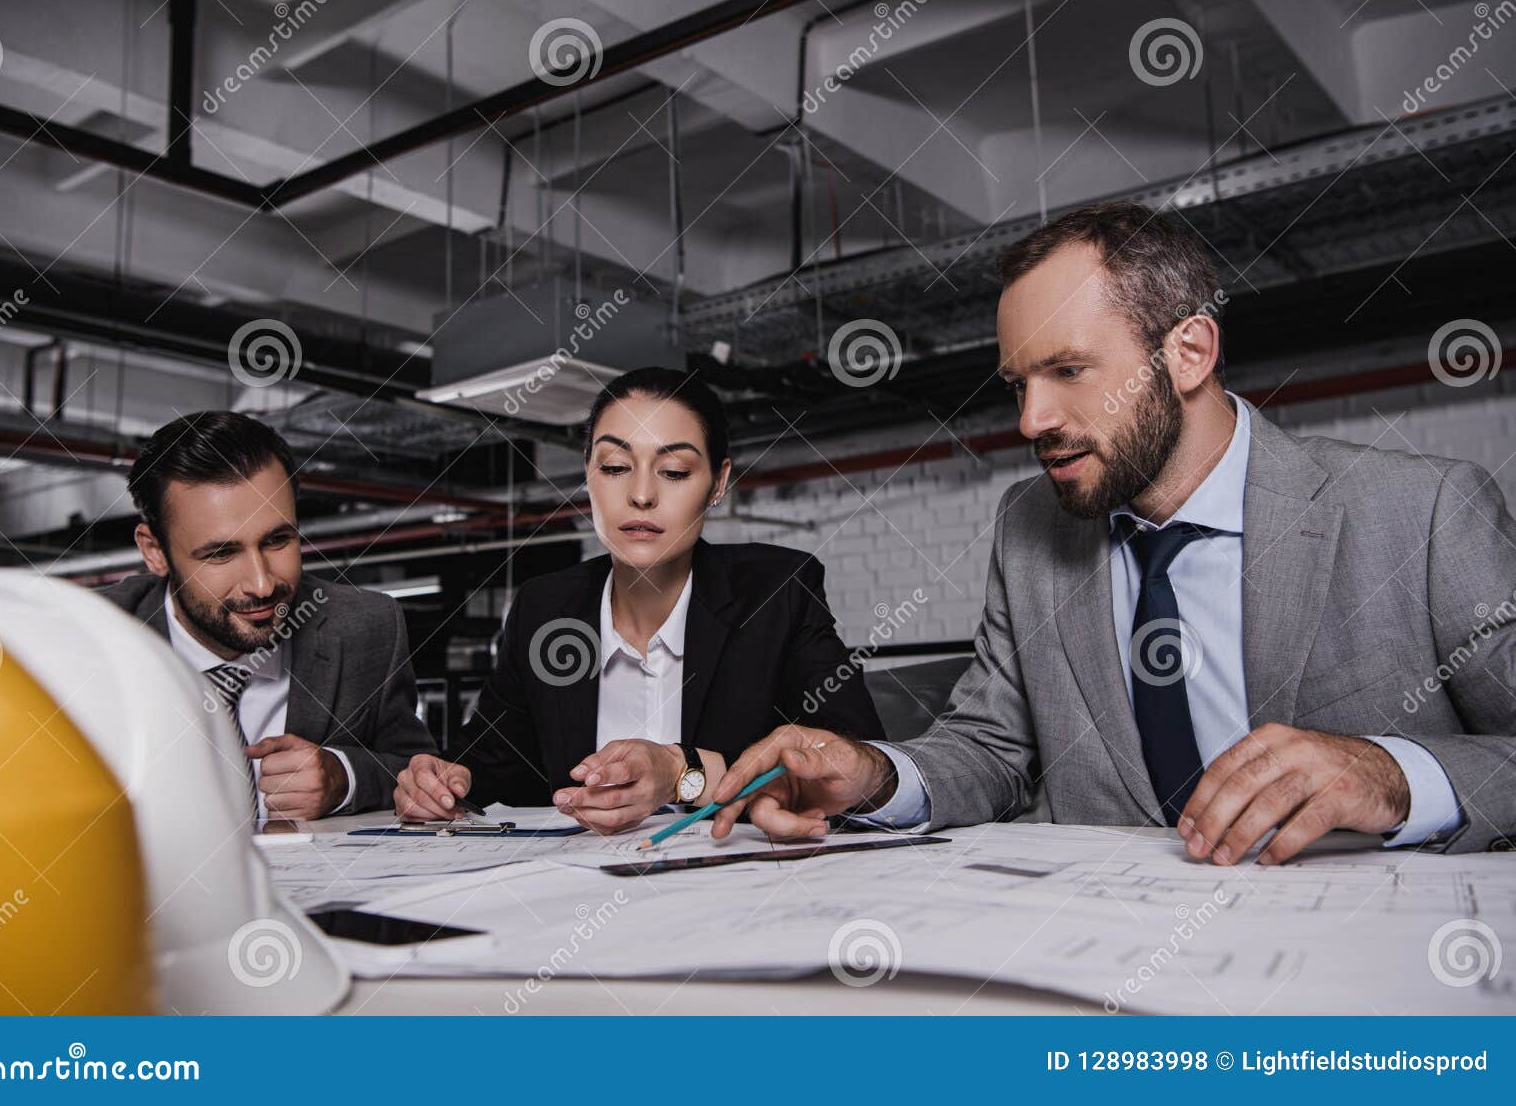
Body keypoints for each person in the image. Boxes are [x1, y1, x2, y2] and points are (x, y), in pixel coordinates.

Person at [712, 201, 1516, 863]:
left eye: (1067, 372)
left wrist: (1396, 776)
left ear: (1190, 351)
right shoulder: (1028, 525)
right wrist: (874, 776)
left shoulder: (1424, 511)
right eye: (1018, 384)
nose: (1032, 419)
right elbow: (992, 747)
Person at [394, 367, 885, 834]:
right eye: (614, 466)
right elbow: (494, 760)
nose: (642, 494)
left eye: (673, 471)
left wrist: (683, 772)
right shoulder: (546, 608)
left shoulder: (776, 593)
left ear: (717, 483)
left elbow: (859, 764)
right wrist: (441, 782)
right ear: (587, 475)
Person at [101, 411, 437, 820]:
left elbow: (419, 773)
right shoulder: (87, 637)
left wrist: (344, 778)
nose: (261, 585)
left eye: (278, 540)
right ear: (154, 551)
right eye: (221, 553)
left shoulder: (367, 626)